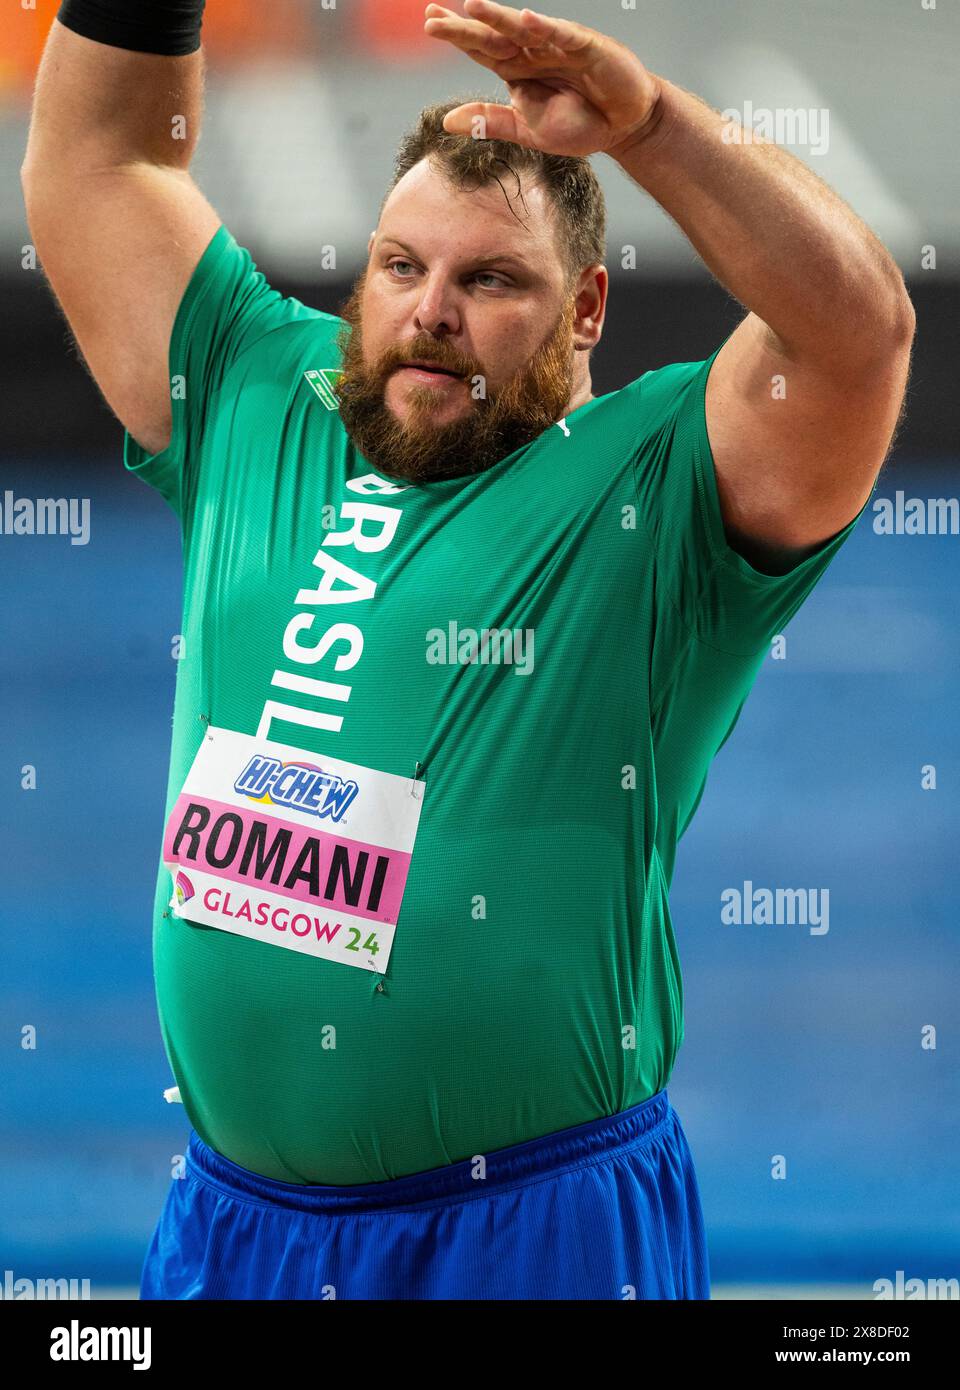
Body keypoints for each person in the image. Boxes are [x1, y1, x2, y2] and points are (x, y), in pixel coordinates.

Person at [21, 0, 914, 1300]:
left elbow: (855, 334)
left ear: (588, 307)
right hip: (233, 1235)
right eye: (398, 266)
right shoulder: (263, 388)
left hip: (531, 1236)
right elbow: (99, 162)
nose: (430, 312)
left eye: (490, 280)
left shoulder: (656, 487)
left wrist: (653, 129)